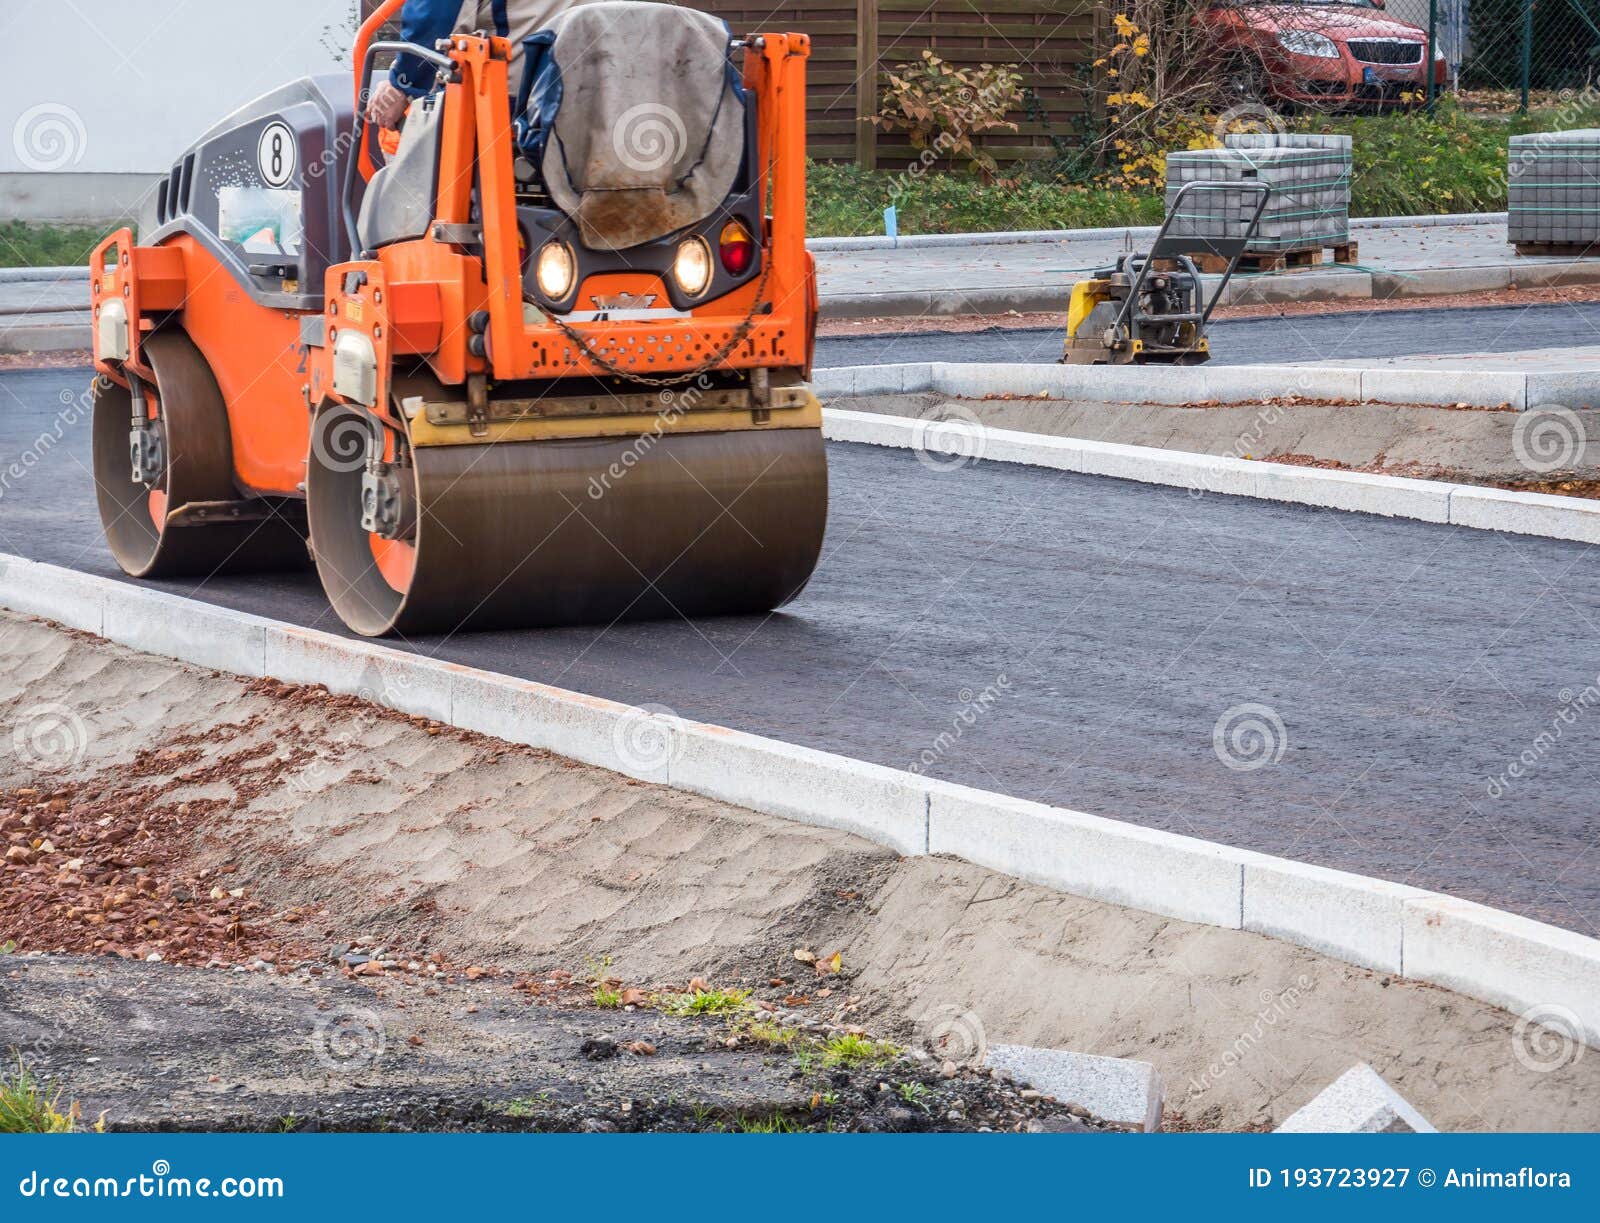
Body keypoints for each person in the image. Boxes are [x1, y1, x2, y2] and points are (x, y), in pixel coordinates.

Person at [366, 0, 590, 129]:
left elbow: (433, 22)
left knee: (402, 139)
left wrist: (402, 85)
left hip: (509, 108)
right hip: (604, 100)